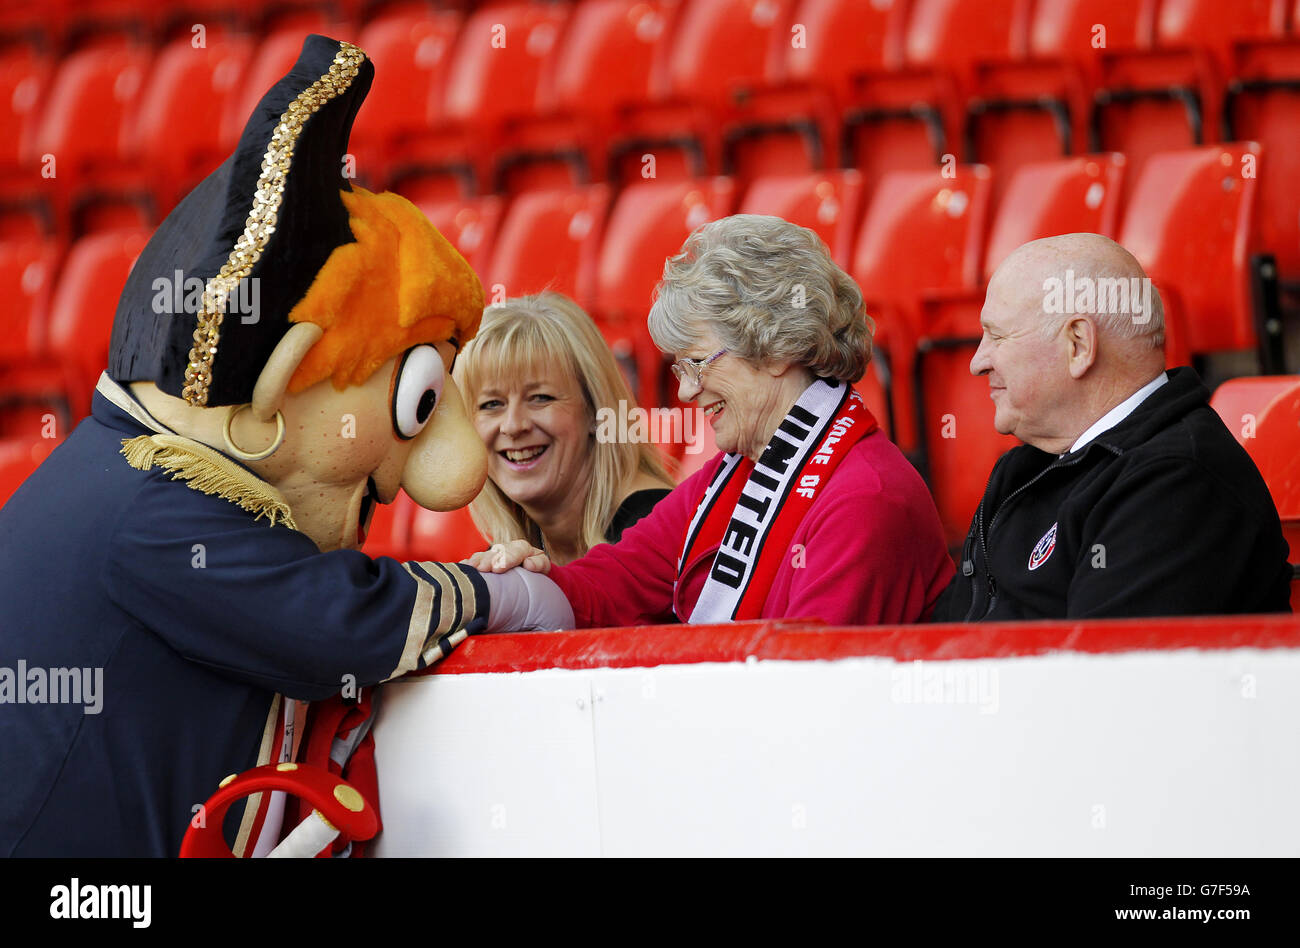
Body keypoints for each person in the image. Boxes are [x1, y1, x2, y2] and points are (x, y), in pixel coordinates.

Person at [0, 35, 569, 857]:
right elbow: (338, 621)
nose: (452, 468)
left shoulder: (123, 472)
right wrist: (502, 599)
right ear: (279, 390)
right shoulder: (152, 510)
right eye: (417, 402)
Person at [470, 214, 954, 626]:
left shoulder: (864, 498)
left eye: (698, 363)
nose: (685, 390)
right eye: (679, 370)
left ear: (777, 347)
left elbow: (806, 701)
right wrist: (524, 580)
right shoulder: (729, 477)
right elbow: (611, 586)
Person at [932, 233, 1292, 621]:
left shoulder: (1177, 482)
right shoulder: (1022, 471)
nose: (977, 362)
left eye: (997, 337)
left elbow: (1103, 676)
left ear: (1079, 345)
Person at [455, 292, 675, 565]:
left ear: (595, 410)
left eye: (540, 398)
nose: (513, 425)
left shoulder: (655, 529)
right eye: (491, 404)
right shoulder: (516, 548)